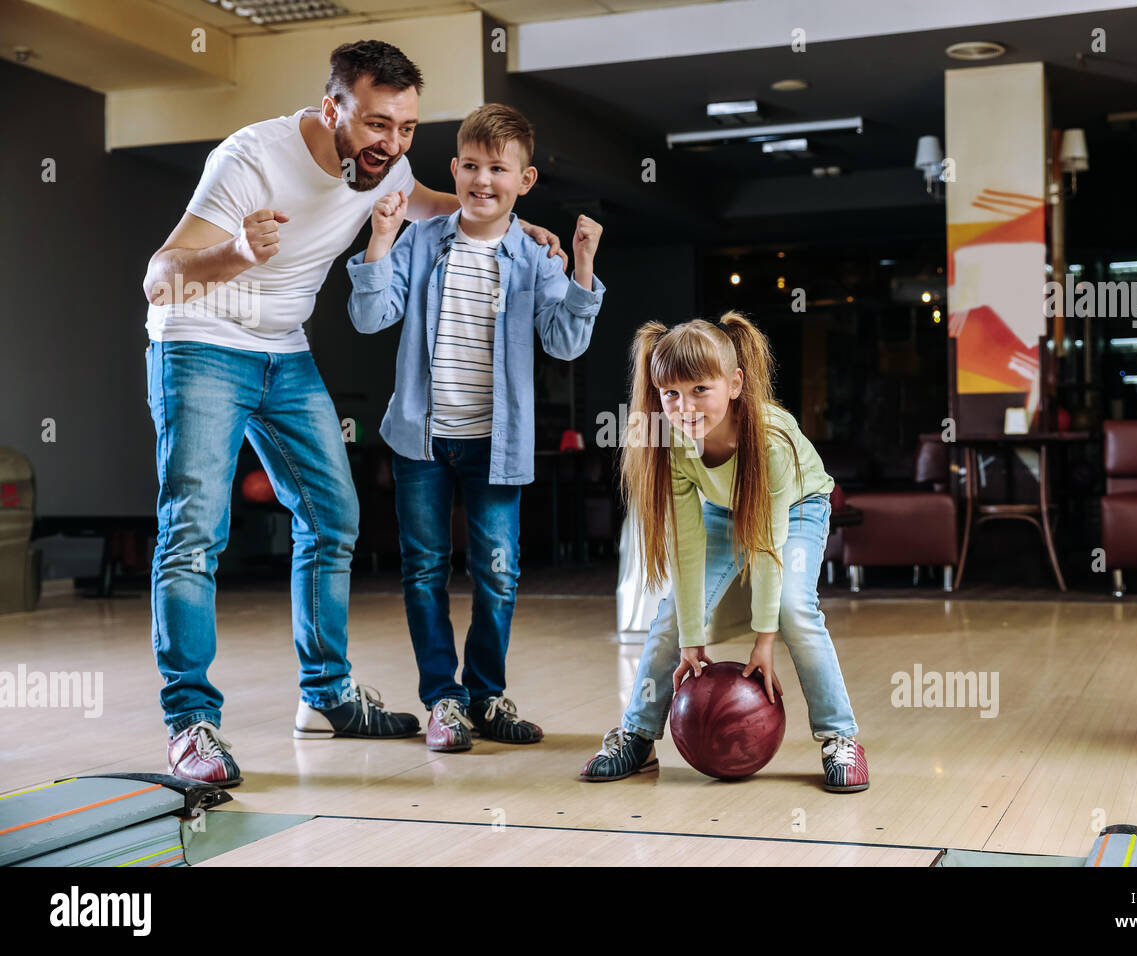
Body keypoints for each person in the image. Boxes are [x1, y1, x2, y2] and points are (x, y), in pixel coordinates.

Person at [140, 41, 567, 787]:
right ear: (332, 107)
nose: (393, 145)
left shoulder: (387, 167)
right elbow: (160, 280)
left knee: (334, 517)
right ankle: (191, 724)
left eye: (405, 128)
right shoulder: (250, 158)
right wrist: (238, 251)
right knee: (195, 529)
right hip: (201, 341)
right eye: (377, 126)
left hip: (284, 350)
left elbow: (438, 204)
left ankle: (326, 695)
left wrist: (517, 226)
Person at [347, 103, 605, 752]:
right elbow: (371, 318)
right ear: (454, 169)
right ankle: (444, 701)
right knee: (425, 571)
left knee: (498, 572)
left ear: (526, 180)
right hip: (421, 443)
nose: (482, 180)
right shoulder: (421, 241)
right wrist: (379, 242)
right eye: (471, 166)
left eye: (499, 169)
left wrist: (580, 269)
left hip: (498, 444)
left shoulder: (536, 256)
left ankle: (486, 695)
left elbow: (566, 341)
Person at [580, 312, 869, 792]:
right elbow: (687, 547)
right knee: (671, 613)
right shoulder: (671, 440)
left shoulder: (770, 436)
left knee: (794, 608)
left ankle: (841, 738)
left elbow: (771, 545)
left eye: (699, 390)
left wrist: (763, 640)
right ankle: (637, 735)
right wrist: (693, 640)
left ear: (735, 384)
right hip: (723, 511)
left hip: (795, 509)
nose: (684, 406)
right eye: (670, 393)